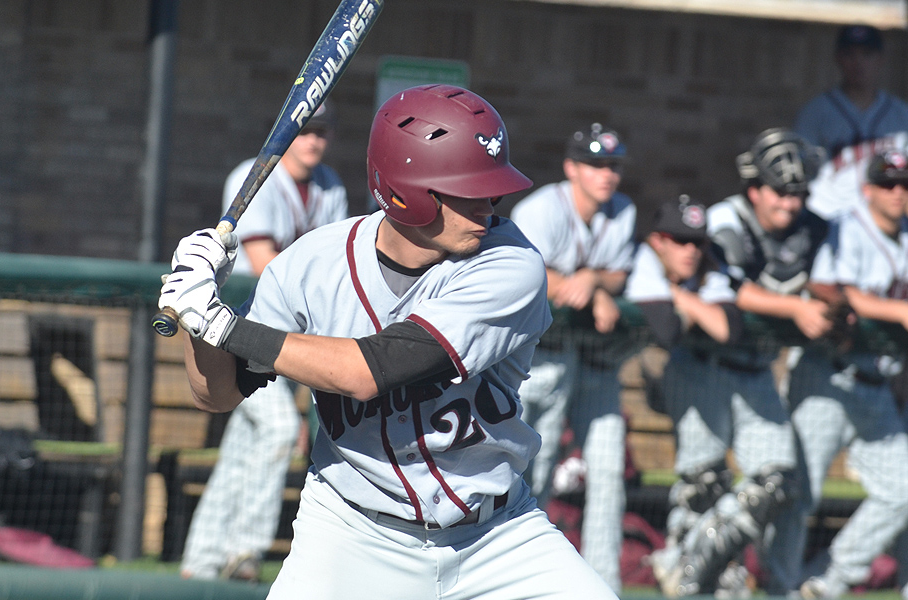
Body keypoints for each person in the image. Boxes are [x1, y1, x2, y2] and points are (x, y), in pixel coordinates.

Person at [159, 84, 619, 600]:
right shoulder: (311, 264)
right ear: (406, 190)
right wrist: (199, 318)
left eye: (494, 189)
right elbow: (215, 393)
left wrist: (226, 327)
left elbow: (369, 370)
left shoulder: (511, 262)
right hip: (350, 534)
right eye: (469, 191)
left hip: (496, 536)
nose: (489, 206)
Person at [653, 129, 830, 597]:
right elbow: (733, 288)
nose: (789, 204)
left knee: (775, 482)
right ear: (755, 188)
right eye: (779, 192)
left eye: (797, 194)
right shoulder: (724, 218)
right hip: (703, 364)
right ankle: (697, 577)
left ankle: (684, 567)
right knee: (702, 487)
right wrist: (796, 307)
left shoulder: (815, 227)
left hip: (757, 373)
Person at [178, 102, 348, 581]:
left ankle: (202, 561)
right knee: (275, 432)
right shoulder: (252, 177)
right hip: (234, 331)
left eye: (323, 132)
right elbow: (264, 262)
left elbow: (332, 266)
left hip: (290, 333)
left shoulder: (330, 186)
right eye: (306, 131)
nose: (314, 140)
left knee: (244, 449)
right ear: (287, 133)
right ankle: (243, 555)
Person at [510, 123, 636, 592]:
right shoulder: (542, 208)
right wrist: (576, 285)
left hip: (568, 360)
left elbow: (620, 274)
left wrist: (594, 283)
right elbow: (517, 269)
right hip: (520, 360)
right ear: (572, 168)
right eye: (596, 164)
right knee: (520, 471)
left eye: (613, 165)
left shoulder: (621, 211)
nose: (607, 175)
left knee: (543, 472)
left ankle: (599, 584)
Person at [791, 149, 908, 600]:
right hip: (828, 378)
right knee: (799, 496)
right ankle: (780, 586)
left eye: (904, 183)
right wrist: (892, 309)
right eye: (888, 182)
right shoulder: (845, 227)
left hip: (877, 385)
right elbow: (826, 289)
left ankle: (826, 582)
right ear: (867, 188)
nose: (898, 192)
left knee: (901, 490)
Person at [624, 195, 745, 596]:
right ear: (657, 241)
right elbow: (668, 332)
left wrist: (682, 298)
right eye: (679, 240)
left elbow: (729, 329)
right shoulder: (643, 262)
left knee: (710, 478)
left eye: (698, 241)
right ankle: (676, 561)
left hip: (689, 377)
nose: (691, 250)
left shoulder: (708, 266)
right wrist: (693, 306)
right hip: (614, 373)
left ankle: (691, 564)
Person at [794, 24, 908, 161]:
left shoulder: (901, 114)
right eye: (849, 54)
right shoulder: (815, 112)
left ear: (881, 59)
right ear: (838, 58)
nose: (858, 62)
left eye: (867, 53)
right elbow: (802, 168)